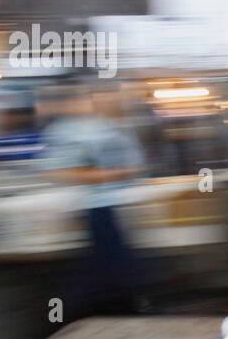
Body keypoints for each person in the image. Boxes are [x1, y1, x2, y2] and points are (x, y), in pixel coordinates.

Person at [38, 79, 148, 316]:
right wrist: (100, 175)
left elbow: (134, 163)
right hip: (88, 207)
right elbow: (56, 170)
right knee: (104, 263)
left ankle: (118, 306)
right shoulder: (63, 131)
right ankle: (104, 309)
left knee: (113, 262)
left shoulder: (107, 126)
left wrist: (112, 173)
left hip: (114, 205)